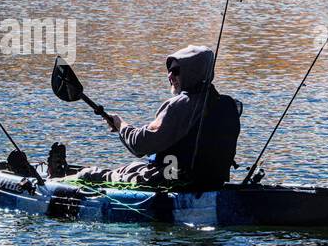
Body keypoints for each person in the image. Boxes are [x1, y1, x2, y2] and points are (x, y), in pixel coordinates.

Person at [74, 45, 242, 190]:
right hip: (212, 182)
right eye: (169, 70)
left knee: (89, 175)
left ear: (192, 72)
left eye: (176, 71)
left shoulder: (180, 106)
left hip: (170, 181)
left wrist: (120, 125)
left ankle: (62, 178)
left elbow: (141, 144)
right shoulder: (230, 104)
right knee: (134, 167)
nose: (170, 76)